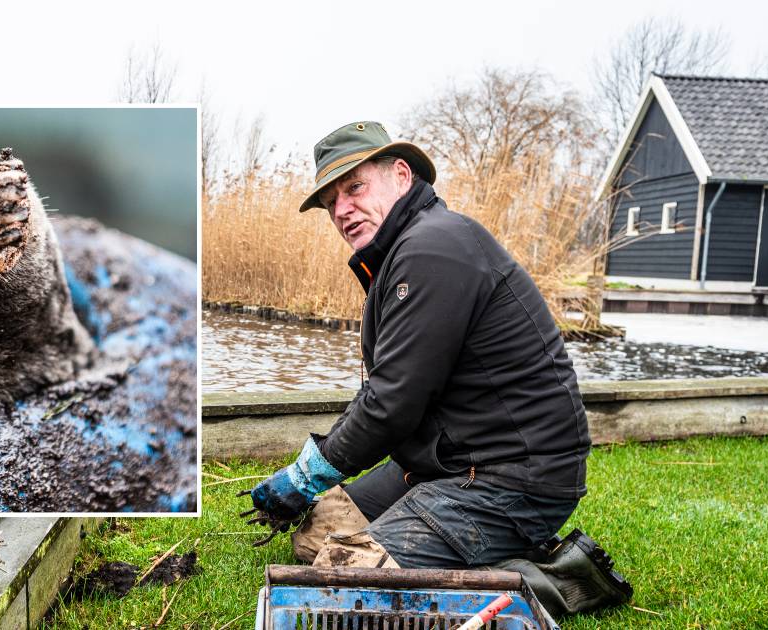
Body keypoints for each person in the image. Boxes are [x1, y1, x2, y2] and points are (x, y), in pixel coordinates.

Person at [245, 121, 633, 617]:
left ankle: (552, 579)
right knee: (318, 532)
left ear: (401, 175)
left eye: (354, 187)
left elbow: (391, 404)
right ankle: (489, 549)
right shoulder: (402, 253)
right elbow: (386, 392)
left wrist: (308, 473)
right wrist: (317, 476)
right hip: (442, 466)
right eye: (331, 202)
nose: (342, 210)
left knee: (347, 581)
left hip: (510, 478)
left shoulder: (434, 247)